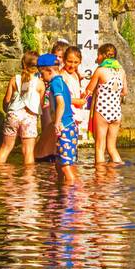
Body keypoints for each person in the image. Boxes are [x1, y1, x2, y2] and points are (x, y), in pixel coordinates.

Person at [0, 51, 43, 165]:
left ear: (23, 64)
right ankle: (28, 180)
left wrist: (7, 111)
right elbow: (39, 106)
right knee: (28, 151)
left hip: (13, 115)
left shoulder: (14, 79)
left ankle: (1, 177)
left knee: (6, 147)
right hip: (29, 117)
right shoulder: (40, 84)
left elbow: (7, 100)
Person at [37, 53, 79, 184]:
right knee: (59, 164)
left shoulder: (55, 83)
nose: (41, 76)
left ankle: (70, 197)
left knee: (66, 166)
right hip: (69, 126)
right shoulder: (60, 81)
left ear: (49, 70)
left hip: (64, 127)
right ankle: (61, 191)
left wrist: (56, 123)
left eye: (41, 73)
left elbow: (61, 103)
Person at [85, 42, 127, 165]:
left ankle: (101, 178)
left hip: (102, 111)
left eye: (98, 55)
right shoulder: (122, 71)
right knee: (112, 147)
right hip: (116, 112)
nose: (96, 58)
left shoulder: (100, 70)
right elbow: (124, 92)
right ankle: (118, 174)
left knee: (99, 147)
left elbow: (89, 90)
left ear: (103, 56)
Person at [60, 45, 91, 146]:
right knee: (66, 143)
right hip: (65, 115)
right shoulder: (61, 76)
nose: (72, 65)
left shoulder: (75, 75)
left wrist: (83, 95)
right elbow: (60, 97)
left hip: (75, 114)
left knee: (73, 142)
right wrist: (77, 101)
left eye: (76, 62)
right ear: (64, 60)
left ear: (80, 62)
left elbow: (74, 92)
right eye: (69, 61)